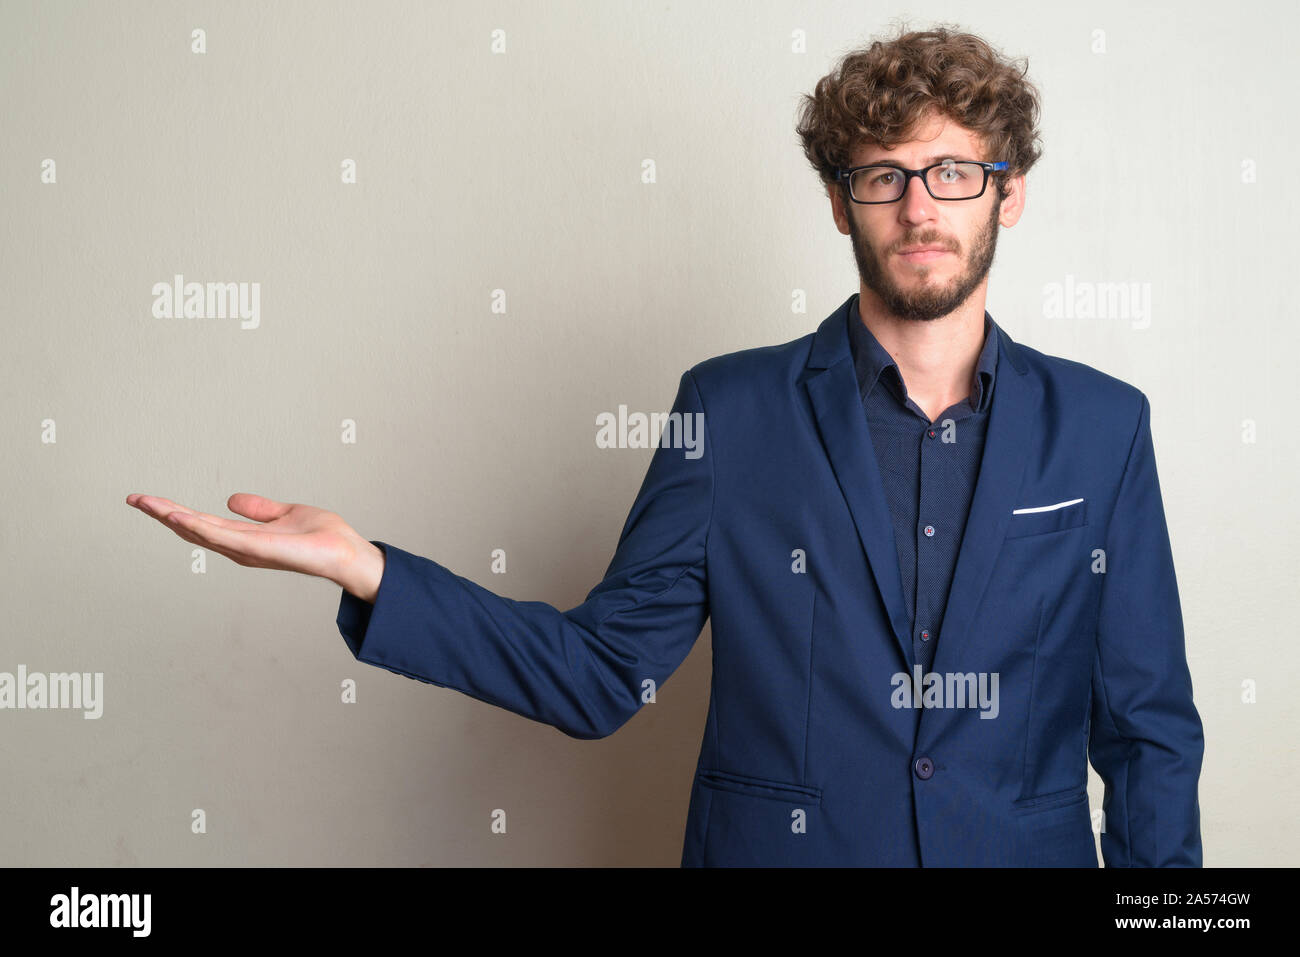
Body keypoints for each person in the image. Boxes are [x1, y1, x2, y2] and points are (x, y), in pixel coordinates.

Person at [127, 24, 1204, 867]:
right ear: (840, 205)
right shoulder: (729, 413)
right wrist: (368, 568)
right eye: (884, 177)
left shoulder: (1105, 427)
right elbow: (602, 677)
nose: (920, 207)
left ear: (1007, 196)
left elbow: (1148, 731)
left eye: (953, 173)